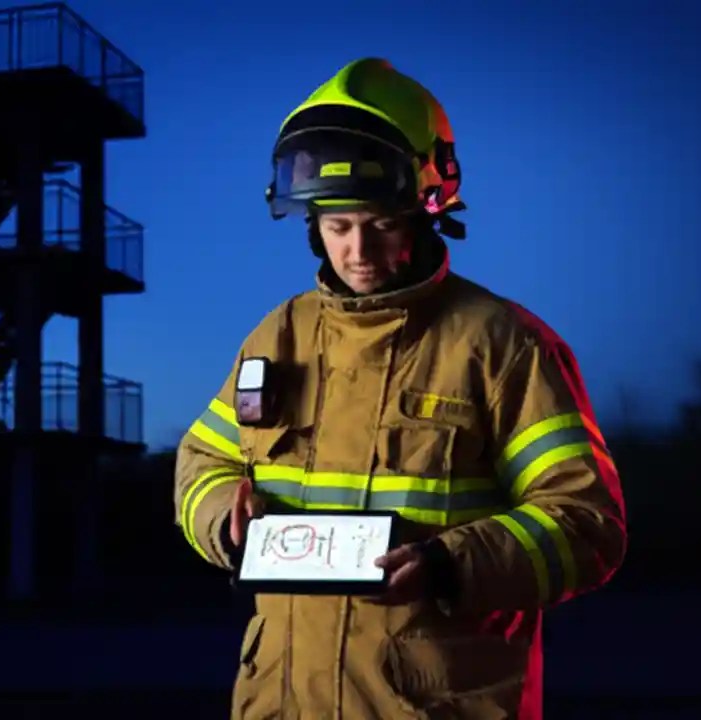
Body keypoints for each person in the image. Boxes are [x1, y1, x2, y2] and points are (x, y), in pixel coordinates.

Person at [172, 58, 627, 719]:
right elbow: (200, 462)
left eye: (382, 224)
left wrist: (450, 565)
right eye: (337, 227)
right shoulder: (277, 336)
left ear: (427, 211)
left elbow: (587, 526)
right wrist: (221, 516)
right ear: (311, 225)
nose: (358, 251)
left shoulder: (503, 345)